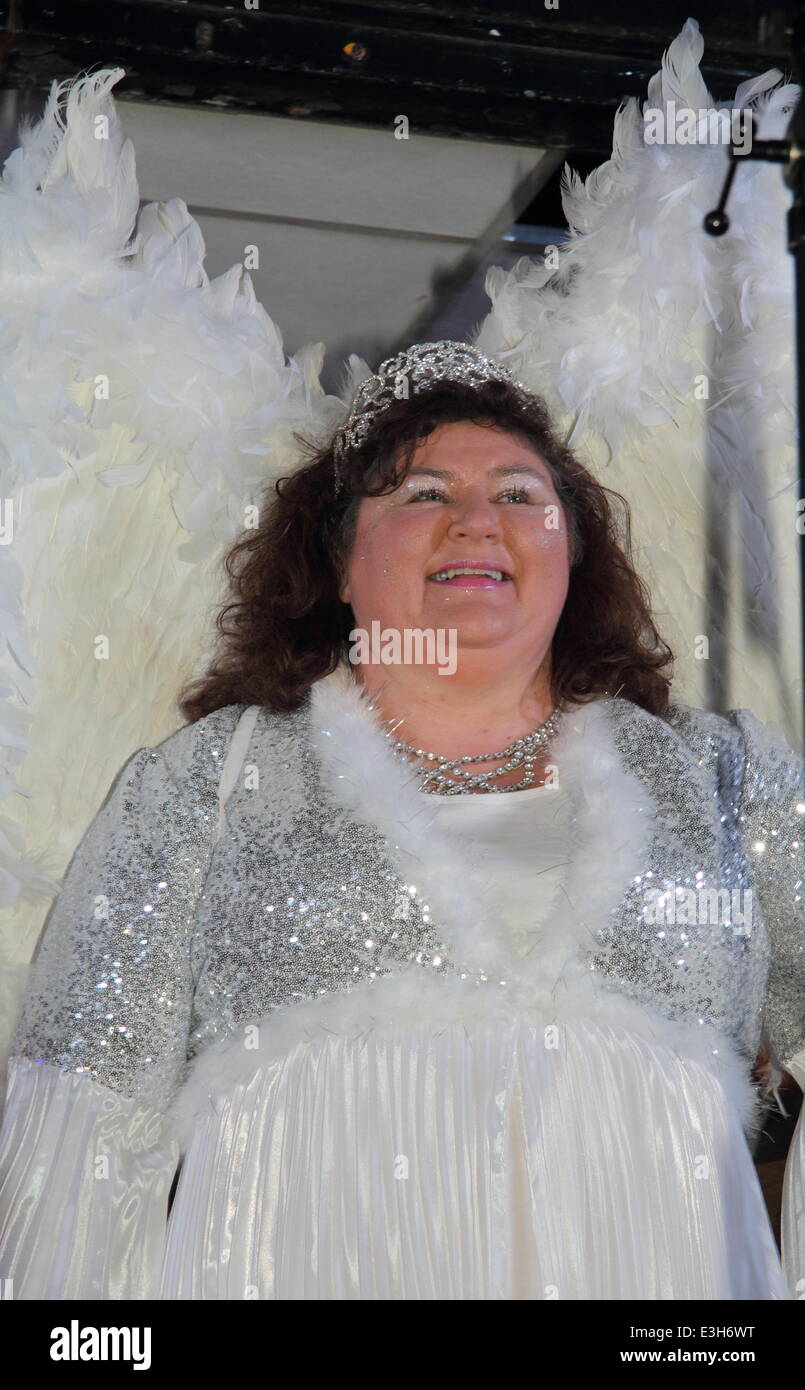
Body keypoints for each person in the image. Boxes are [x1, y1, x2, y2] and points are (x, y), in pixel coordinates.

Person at [0, 340, 802, 1300]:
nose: (475, 522)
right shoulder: (212, 783)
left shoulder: (721, 774)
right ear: (339, 563)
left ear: (571, 549)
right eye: (421, 494)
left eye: (518, 496)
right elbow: (82, 1138)